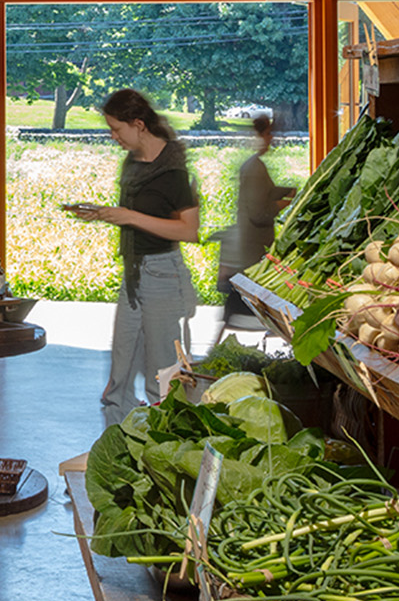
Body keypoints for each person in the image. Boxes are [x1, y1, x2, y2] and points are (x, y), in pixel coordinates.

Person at [75, 88, 201, 425]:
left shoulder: (174, 172)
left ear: (139, 124)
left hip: (163, 275)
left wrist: (130, 217)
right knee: (122, 361)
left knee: (163, 369)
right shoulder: (132, 163)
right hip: (133, 273)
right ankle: (120, 433)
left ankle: (167, 435)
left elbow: (190, 231)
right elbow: (134, 213)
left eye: (117, 129)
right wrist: (103, 214)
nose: (113, 136)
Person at [223, 115, 281, 328]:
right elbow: (259, 213)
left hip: (250, 246)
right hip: (254, 247)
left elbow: (266, 192)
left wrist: (287, 191)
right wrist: (281, 205)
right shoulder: (255, 168)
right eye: (267, 134)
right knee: (243, 309)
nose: (271, 138)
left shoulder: (253, 165)